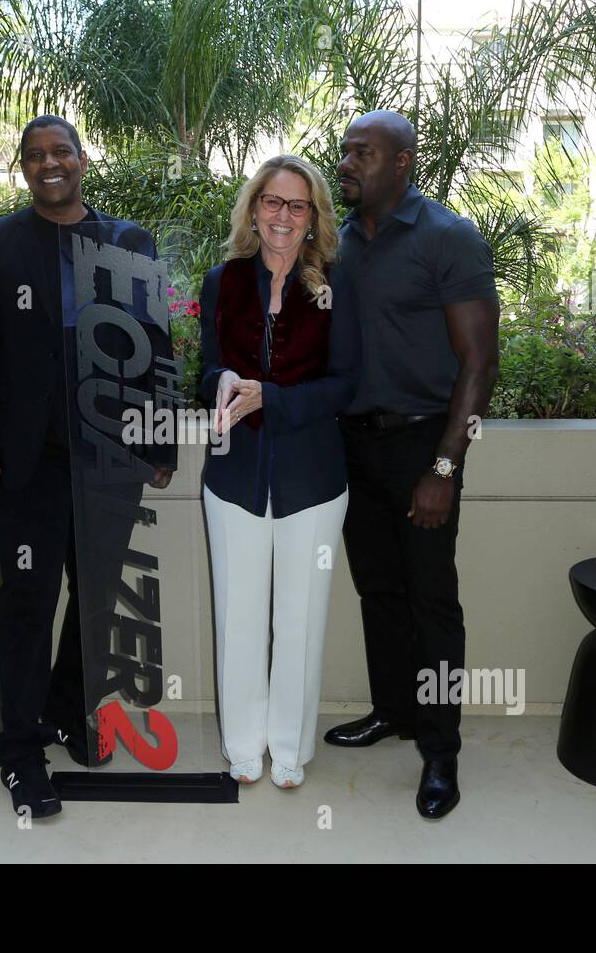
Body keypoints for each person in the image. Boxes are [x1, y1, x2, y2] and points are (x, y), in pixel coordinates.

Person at [0, 115, 174, 819]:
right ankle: (20, 752)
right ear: (23, 167)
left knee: (98, 599)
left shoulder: (128, 243)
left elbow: (157, 345)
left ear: (83, 160)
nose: (49, 163)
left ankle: (67, 708)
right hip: (26, 467)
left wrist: (159, 444)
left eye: (61, 152)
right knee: (26, 604)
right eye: (34, 155)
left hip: (110, 458)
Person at [325, 110, 500, 819]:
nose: (347, 162)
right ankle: (393, 711)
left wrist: (445, 468)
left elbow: (481, 365)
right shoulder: (340, 242)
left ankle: (440, 750)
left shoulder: (448, 238)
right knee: (378, 592)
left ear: (403, 161)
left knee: (431, 603)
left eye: (362, 152)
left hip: (424, 446)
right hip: (354, 447)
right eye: (343, 151)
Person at [198, 155, 359, 790]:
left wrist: (275, 398)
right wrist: (227, 381)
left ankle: (288, 748)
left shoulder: (336, 286)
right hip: (234, 474)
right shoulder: (224, 280)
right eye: (272, 202)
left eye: (297, 205)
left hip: (313, 480)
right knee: (237, 614)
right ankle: (243, 746)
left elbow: (348, 384)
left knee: (300, 617)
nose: (283, 216)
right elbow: (207, 370)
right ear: (254, 208)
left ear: (313, 215)